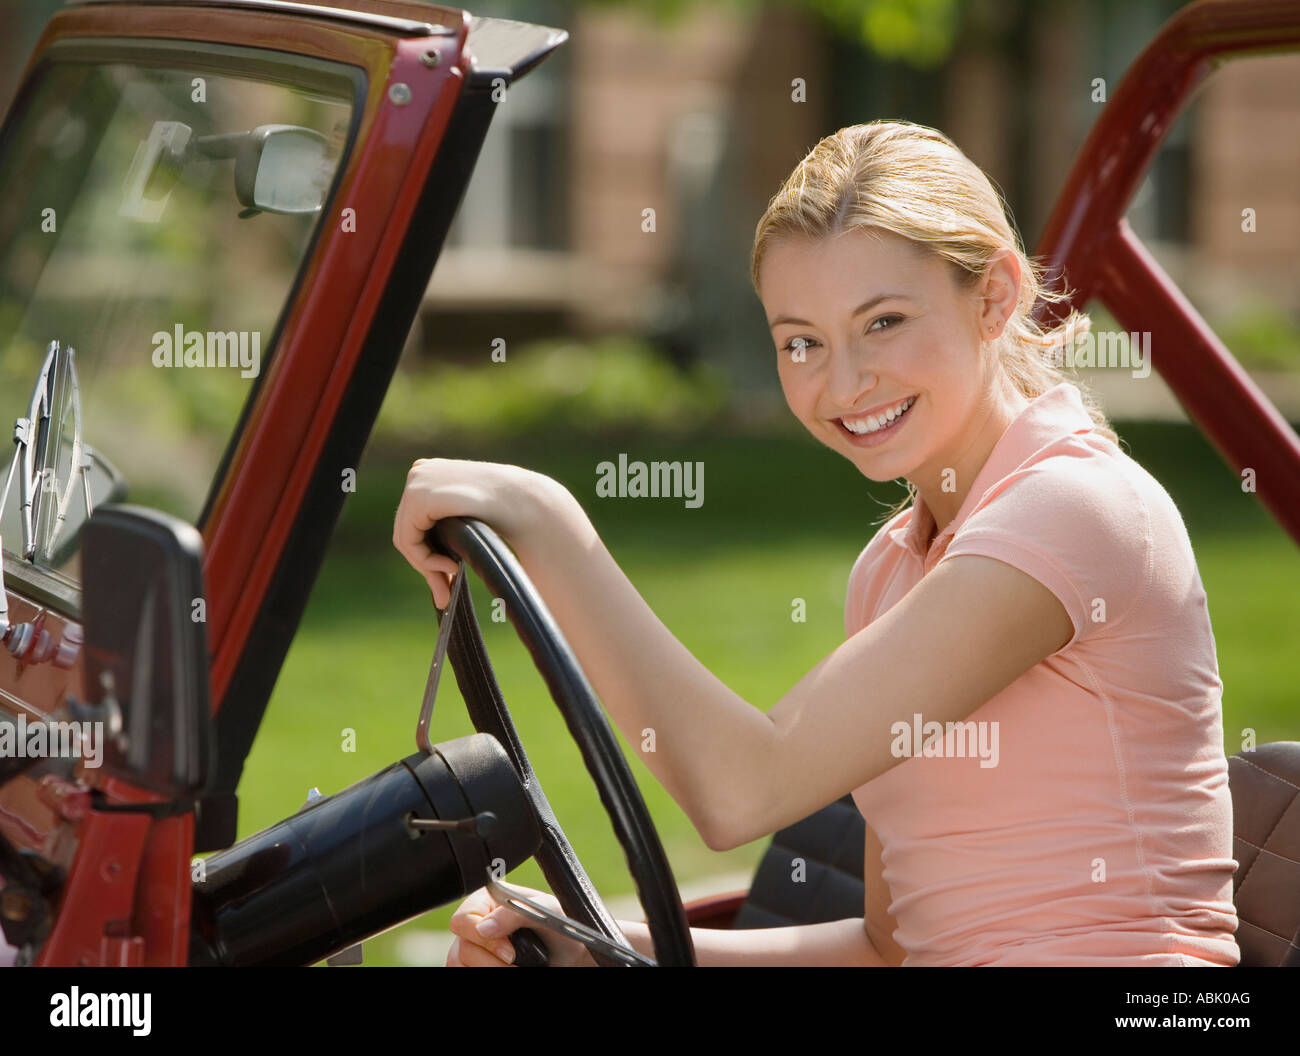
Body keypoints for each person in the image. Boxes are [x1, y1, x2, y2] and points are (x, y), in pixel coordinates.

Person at [392, 120, 1240, 967]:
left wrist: (547, 521)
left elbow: (741, 790)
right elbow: (886, 947)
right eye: (802, 342)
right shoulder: (891, 570)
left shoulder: (1077, 509)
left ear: (994, 297)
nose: (842, 382)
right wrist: (601, 949)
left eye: (884, 322)